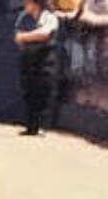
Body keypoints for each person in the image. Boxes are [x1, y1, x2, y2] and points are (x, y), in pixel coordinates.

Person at [15, 0, 62, 134]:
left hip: (44, 59)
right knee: (29, 91)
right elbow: (17, 36)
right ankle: (31, 126)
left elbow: (44, 33)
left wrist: (25, 37)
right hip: (29, 59)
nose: (25, 4)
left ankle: (42, 126)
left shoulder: (50, 17)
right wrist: (23, 40)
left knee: (43, 91)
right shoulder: (24, 17)